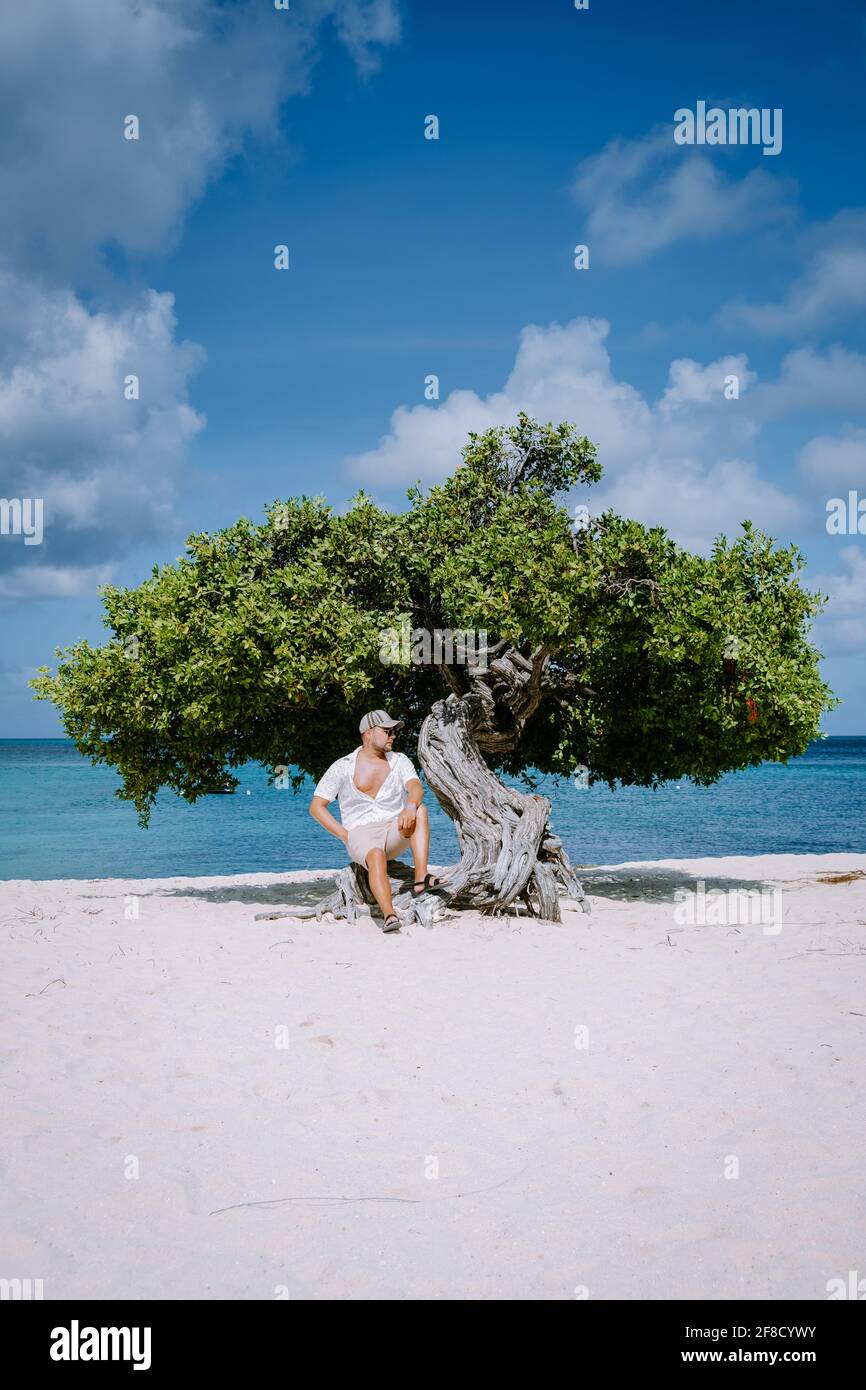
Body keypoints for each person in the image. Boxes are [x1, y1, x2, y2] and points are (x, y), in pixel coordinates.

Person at [309, 710, 447, 932]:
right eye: (387, 731)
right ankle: (389, 915)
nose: (393, 735)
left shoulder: (399, 761)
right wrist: (345, 835)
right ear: (369, 733)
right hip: (361, 834)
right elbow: (316, 807)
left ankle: (421, 877)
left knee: (421, 809)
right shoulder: (343, 766)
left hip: (394, 829)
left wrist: (410, 805)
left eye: (394, 731)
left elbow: (415, 788)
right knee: (375, 855)